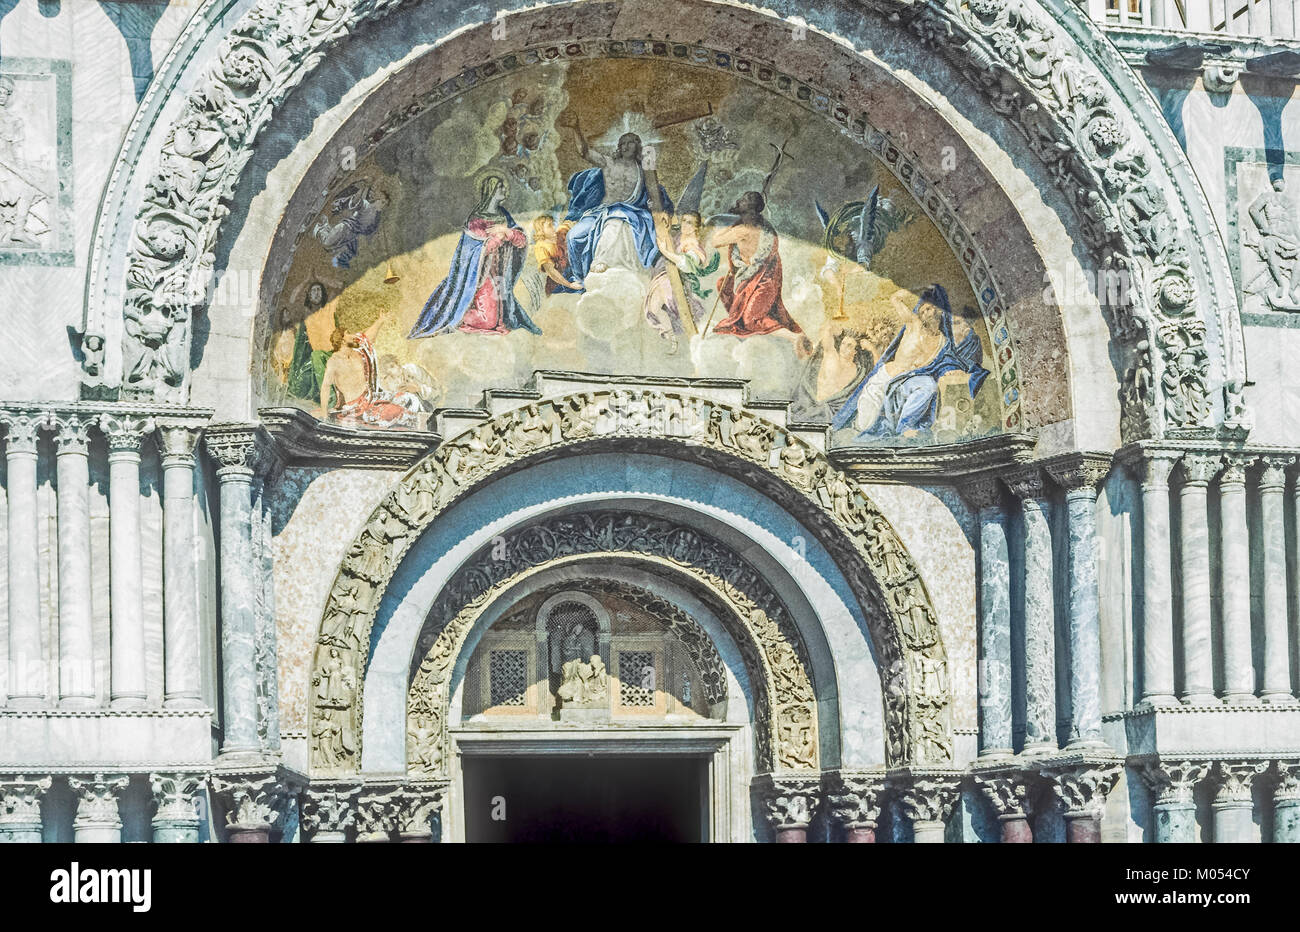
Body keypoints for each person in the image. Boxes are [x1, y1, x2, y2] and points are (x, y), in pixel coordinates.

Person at [832, 284, 989, 440]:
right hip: (885, 380)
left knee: (928, 386)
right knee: (865, 425)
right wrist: (917, 288)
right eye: (922, 311)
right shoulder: (914, 325)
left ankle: (905, 427)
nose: (925, 313)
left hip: (908, 384)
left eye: (928, 309)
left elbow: (945, 362)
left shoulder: (943, 341)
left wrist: (952, 369)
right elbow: (895, 299)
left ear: (939, 310)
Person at [408, 172, 540, 337]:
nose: (504, 190)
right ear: (491, 191)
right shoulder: (476, 220)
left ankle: (470, 311)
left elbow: (521, 241)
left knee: (504, 317)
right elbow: (474, 251)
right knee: (489, 321)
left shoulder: (503, 215)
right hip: (480, 276)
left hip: (500, 275)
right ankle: (458, 315)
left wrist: (507, 232)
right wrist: (499, 237)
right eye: (500, 187)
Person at [555, 116, 668, 284]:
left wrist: (660, 215)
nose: (626, 146)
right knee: (574, 236)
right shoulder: (609, 163)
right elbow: (584, 152)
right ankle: (581, 278)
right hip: (602, 211)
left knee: (614, 222)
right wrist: (576, 128)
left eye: (630, 142)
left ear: (637, 146)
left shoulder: (644, 167)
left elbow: (653, 191)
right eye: (622, 143)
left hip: (628, 211)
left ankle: (601, 260)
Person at [709, 191, 802, 338]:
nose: (747, 217)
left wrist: (731, 225)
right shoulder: (766, 227)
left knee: (750, 320)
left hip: (761, 282)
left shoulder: (742, 230)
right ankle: (742, 322)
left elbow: (715, 241)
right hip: (761, 278)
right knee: (723, 284)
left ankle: (793, 338)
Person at [321, 311, 421, 428]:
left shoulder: (357, 353)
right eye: (349, 334)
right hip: (357, 406)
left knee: (408, 398)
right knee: (397, 412)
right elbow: (325, 386)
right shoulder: (334, 362)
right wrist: (324, 414)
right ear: (342, 341)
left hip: (371, 397)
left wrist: (380, 320)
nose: (353, 336)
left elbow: (367, 338)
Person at [644, 211, 718, 352]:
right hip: (662, 277)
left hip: (677, 281)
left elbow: (686, 263)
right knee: (654, 309)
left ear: (696, 227)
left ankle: (673, 341)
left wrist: (665, 251)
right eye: (683, 220)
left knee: (662, 305)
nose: (684, 225)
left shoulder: (694, 245)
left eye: (689, 222)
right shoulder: (677, 235)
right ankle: (671, 337)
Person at [789, 321, 874, 423]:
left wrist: (871, 348)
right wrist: (839, 330)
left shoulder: (858, 371)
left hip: (835, 412)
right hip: (816, 406)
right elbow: (826, 329)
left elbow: (878, 372)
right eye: (843, 343)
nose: (844, 347)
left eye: (849, 345)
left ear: (855, 352)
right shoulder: (831, 356)